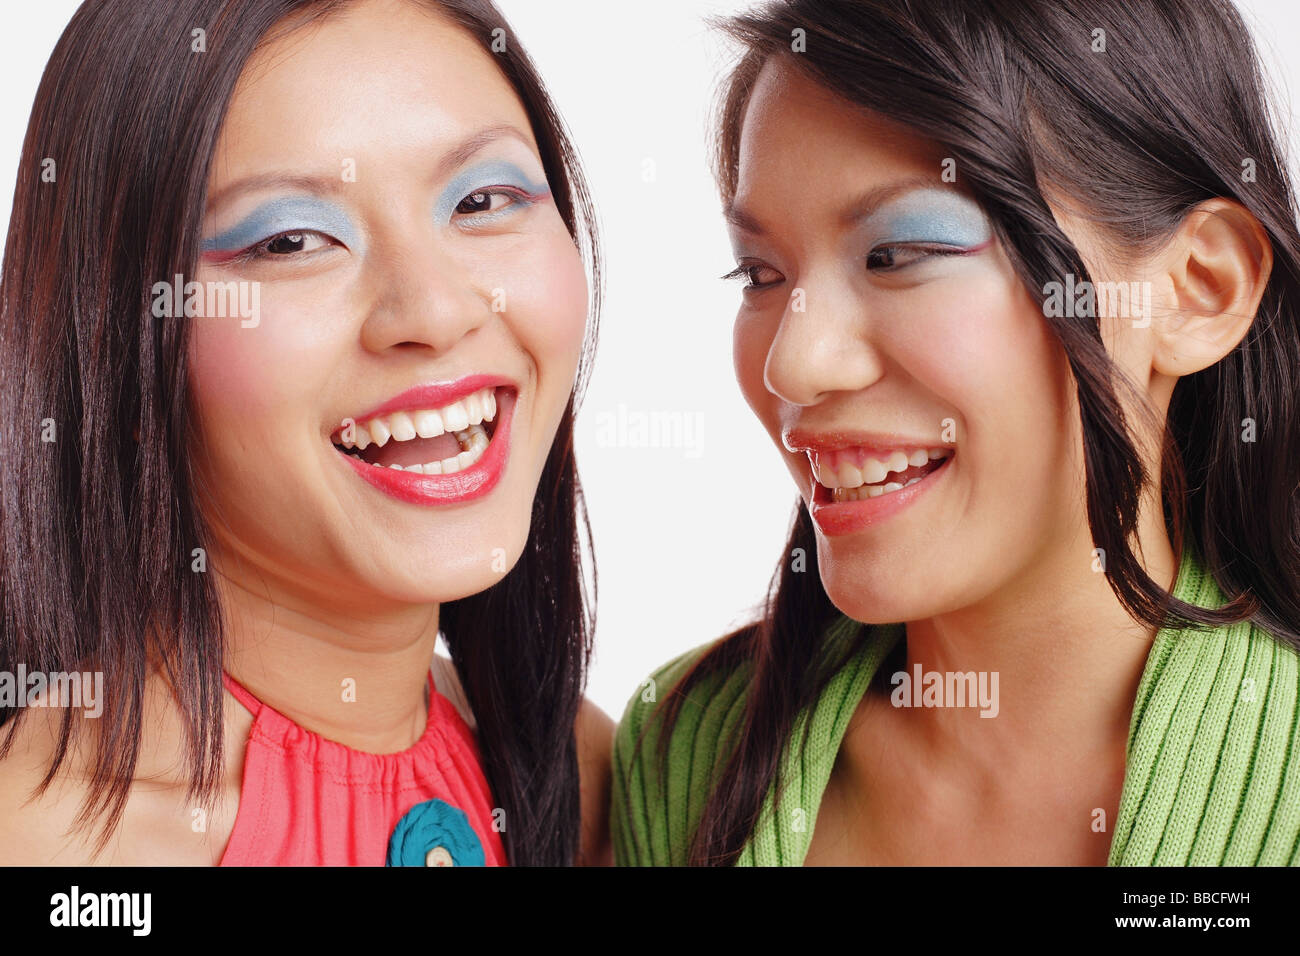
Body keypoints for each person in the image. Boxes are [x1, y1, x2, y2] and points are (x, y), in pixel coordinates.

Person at [614, 0, 1300, 866]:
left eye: (897, 255)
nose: (794, 364)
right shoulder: (677, 755)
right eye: (760, 272)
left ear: (1199, 288)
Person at [0, 0, 611, 867]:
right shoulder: (52, 852)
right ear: (115, 339)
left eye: (482, 199)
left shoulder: (592, 777)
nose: (432, 311)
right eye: (290, 241)